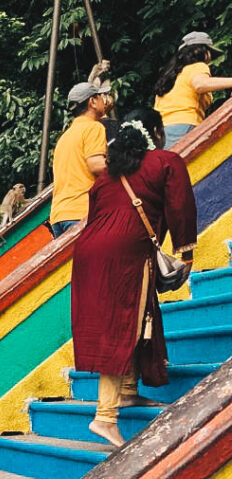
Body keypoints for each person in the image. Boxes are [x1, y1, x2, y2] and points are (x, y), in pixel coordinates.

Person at [71, 108, 197, 447]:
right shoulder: (166, 161)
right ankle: (105, 417)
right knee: (121, 321)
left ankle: (127, 392)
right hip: (125, 251)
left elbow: (96, 212)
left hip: (90, 251)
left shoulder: (109, 175)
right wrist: (186, 252)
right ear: (155, 132)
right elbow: (180, 206)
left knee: (136, 314)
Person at [49, 82, 111, 238]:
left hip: (58, 216)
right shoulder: (93, 127)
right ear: (92, 102)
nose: (104, 100)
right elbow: (96, 165)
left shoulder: (64, 138)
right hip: (81, 212)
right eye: (100, 97)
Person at [154, 32, 232, 149]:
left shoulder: (170, 76)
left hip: (162, 130)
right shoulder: (198, 66)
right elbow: (200, 84)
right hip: (184, 125)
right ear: (202, 52)